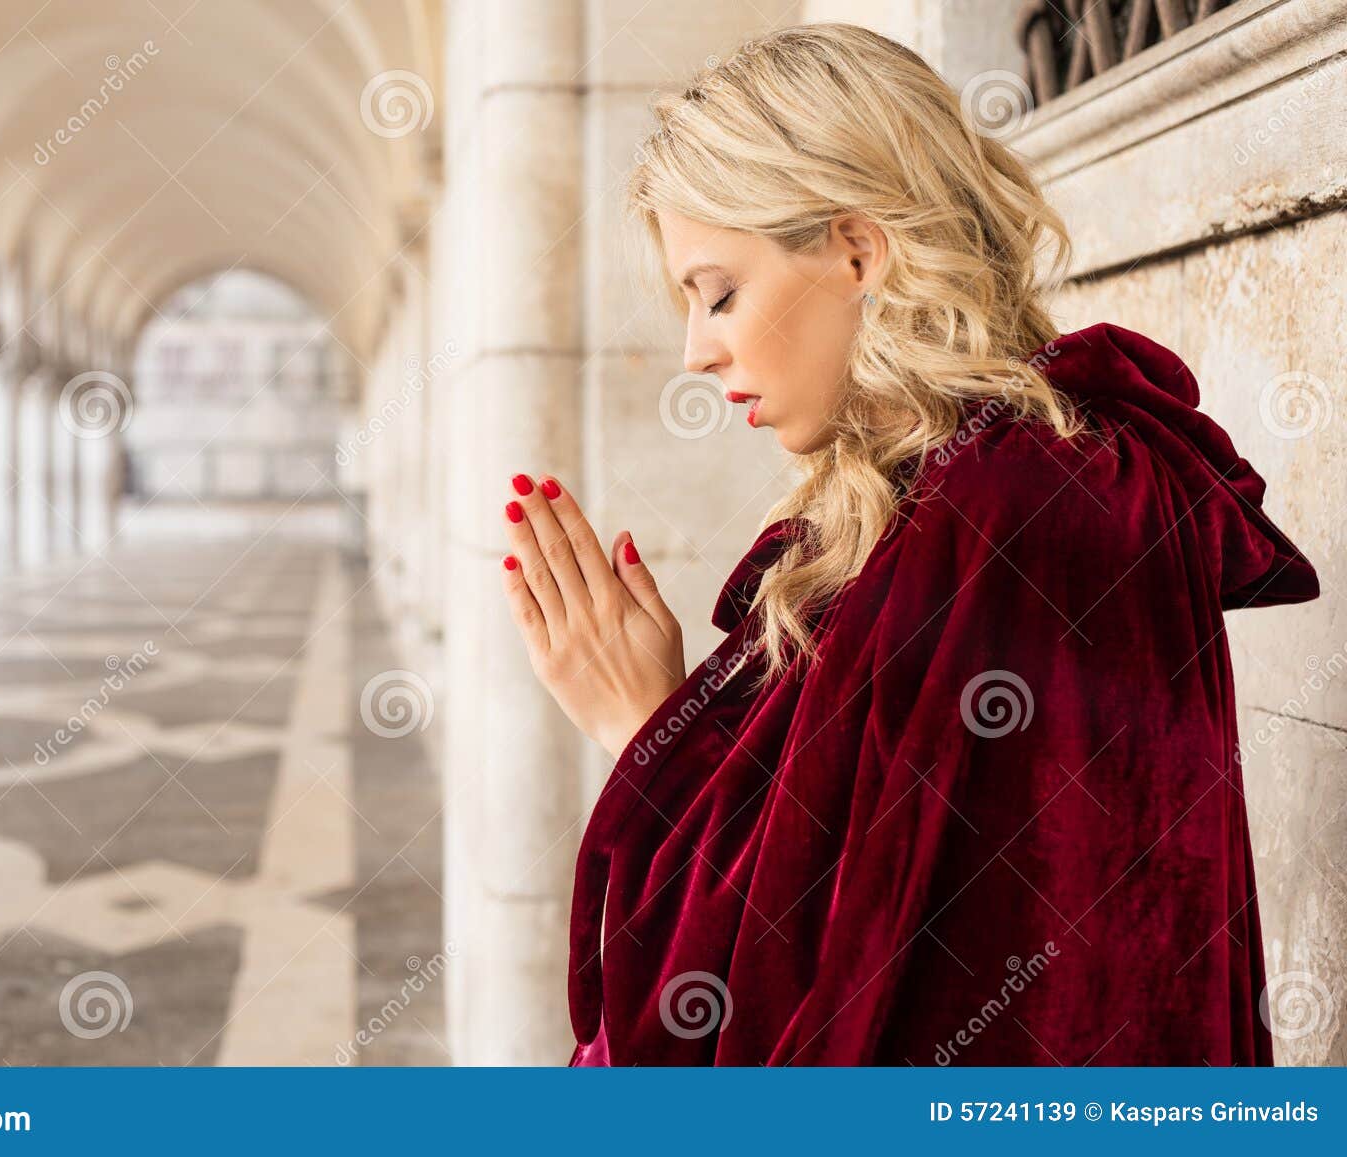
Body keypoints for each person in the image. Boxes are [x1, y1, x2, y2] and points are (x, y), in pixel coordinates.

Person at [496, 23, 1319, 1065]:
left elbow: (812, 1013)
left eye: (720, 293)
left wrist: (645, 732)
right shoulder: (936, 499)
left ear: (857, 250)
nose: (697, 351)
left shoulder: (1015, 506)